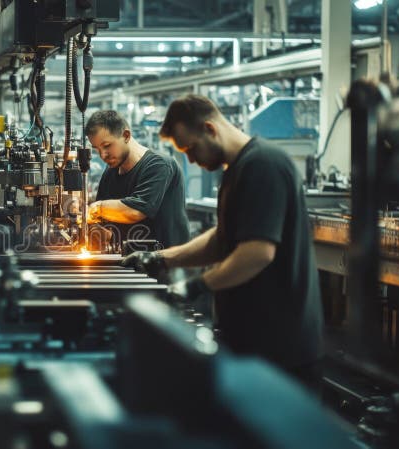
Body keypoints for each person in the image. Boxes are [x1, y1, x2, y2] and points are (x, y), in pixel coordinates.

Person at [122, 94, 323, 390]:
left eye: (190, 148)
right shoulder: (237, 170)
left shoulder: (263, 164)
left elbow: (257, 253)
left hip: (279, 347)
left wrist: (197, 286)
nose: (189, 159)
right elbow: (223, 238)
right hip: (252, 340)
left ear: (210, 129)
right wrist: (161, 258)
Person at [84, 110, 190, 249]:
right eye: (97, 149)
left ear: (126, 136)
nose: (103, 155)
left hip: (166, 264)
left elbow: (135, 211)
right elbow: (105, 221)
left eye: (107, 146)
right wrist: (97, 231)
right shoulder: (110, 173)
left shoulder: (159, 165)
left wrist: (94, 209)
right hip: (130, 264)